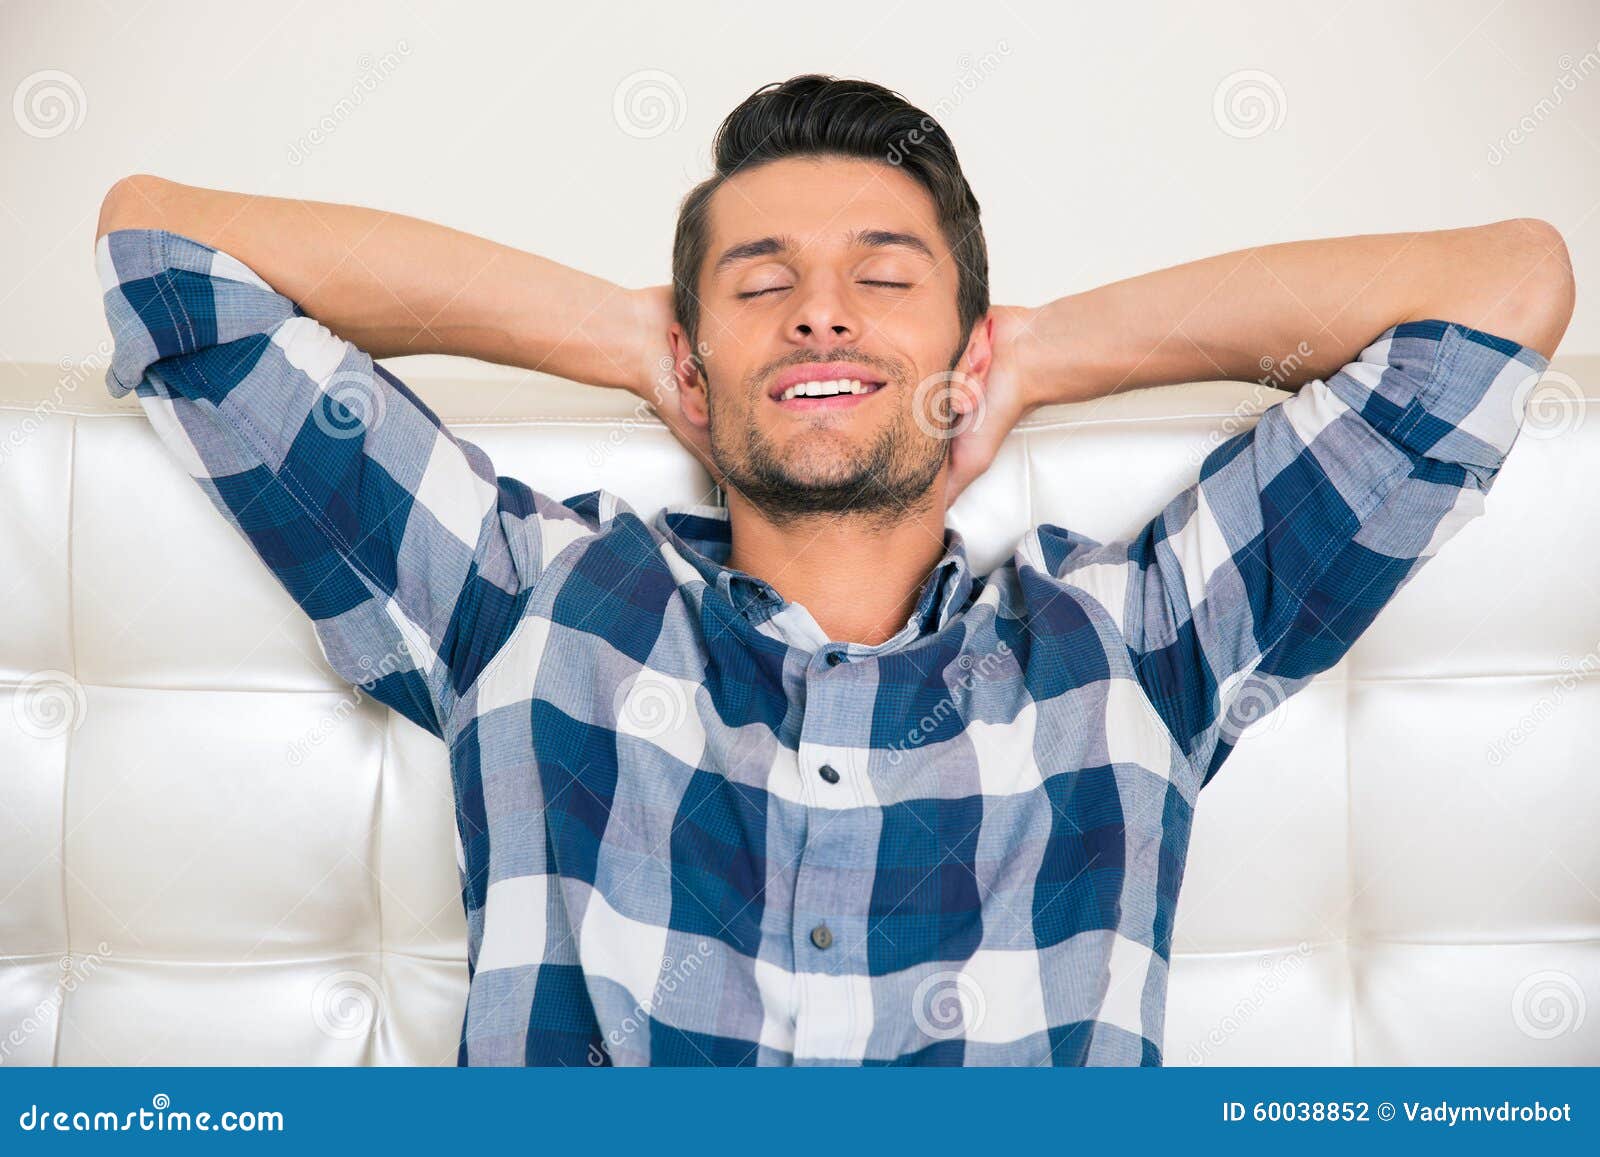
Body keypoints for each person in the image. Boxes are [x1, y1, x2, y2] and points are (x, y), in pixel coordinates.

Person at [94, 74, 1574, 1066]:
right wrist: (623, 334)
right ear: (694, 350)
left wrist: (1046, 353)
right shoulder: (524, 602)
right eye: (760, 286)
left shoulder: (1136, 643)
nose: (819, 317)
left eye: (882, 279)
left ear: (967, 351)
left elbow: (1506, 288)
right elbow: (163, 249)